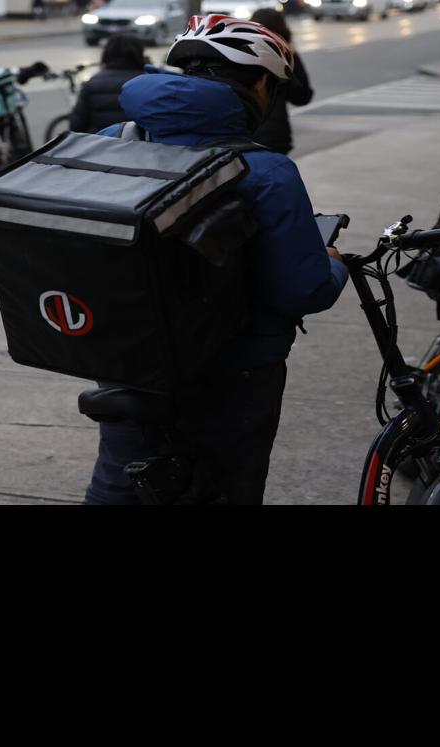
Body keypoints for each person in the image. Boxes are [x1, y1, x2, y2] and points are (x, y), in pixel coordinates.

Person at [83, 15, 349, 505]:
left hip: (128, 357)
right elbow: (303, 290)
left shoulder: (112, 138)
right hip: (235, 372)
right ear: (263, 83)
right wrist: (333, 260)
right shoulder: (266, 169)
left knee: (121, 479)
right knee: (224, 487)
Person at [246, 8, 311, 155]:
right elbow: (302, 97)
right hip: (274, 137)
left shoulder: (240, 55)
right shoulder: (287, 57)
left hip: (244, 135)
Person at [67, 35, 146, 134]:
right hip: (138, 145)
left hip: (99, 144)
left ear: (106, 54)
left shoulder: (92, 84)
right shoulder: (148, 84)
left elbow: (76, 126)